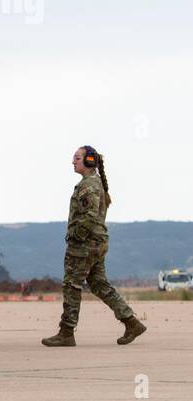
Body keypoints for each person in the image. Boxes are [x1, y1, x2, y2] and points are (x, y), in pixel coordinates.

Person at [42, 146, 146, 347]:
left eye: (77, 158)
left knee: (72, 284)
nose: (73, 161)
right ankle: (131, 322)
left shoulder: (89, 186)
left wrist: (76, 236)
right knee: (99, 284)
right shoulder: (93, 183)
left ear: (89, 161)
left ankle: (66, 332)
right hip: (96, 243)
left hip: (85, 245)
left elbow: (90, 216)